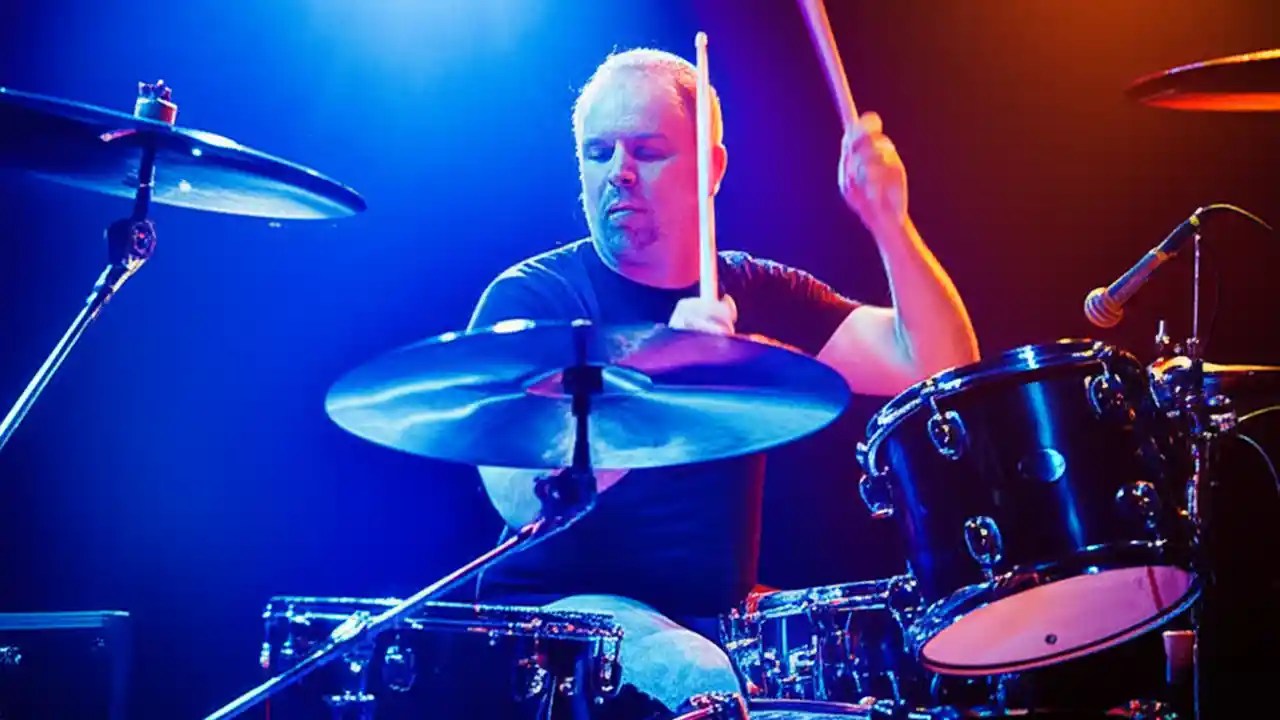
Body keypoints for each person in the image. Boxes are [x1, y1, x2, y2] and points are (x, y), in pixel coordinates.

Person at [464, 47, 979, 716]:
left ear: (711, 168)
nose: (618, 173)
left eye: (647, 151)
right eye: (597, 154)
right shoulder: (534, 301)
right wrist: (665, 367)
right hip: (551, 616)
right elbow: (522, 497)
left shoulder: (753, 289)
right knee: (697, 675)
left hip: (716, 614)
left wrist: (890, 225)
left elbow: (937, 365)